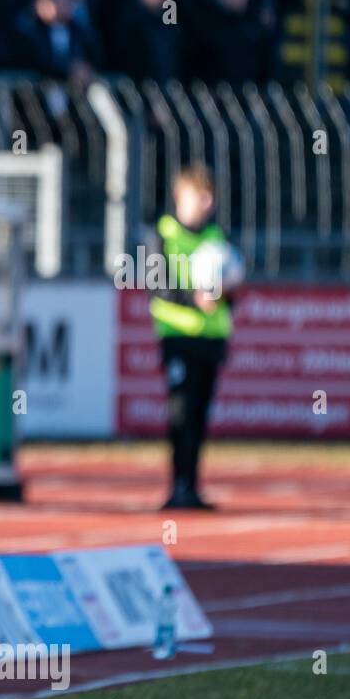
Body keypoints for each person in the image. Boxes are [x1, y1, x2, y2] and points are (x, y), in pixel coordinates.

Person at [151, 164, 238, 511]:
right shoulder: (163, 235)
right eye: (196, 196)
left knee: (200, 416)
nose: (203, 203)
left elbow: (232, 293)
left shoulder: (218, 238)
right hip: (178, 339)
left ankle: (193, 486)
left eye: (208, 197)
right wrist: (195, 298)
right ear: (179, 196)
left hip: (211, 340)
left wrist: (227, 293)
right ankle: (178, 487)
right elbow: (157, 287)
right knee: (180, 414)